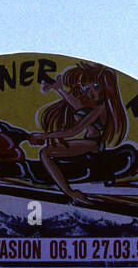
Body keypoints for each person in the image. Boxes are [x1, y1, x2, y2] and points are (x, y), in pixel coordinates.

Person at [26, 63, 128, 207]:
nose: (91, 92)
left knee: (45, 153)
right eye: (87, 88)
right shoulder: (96, 107)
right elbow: (76, 105)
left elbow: (75, 130)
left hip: (94, 144)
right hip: (91, 143)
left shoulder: (101, 107)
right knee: (50, 149)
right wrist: (59, 89)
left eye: (96, 86)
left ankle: (70, 193)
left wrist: (44, 136)